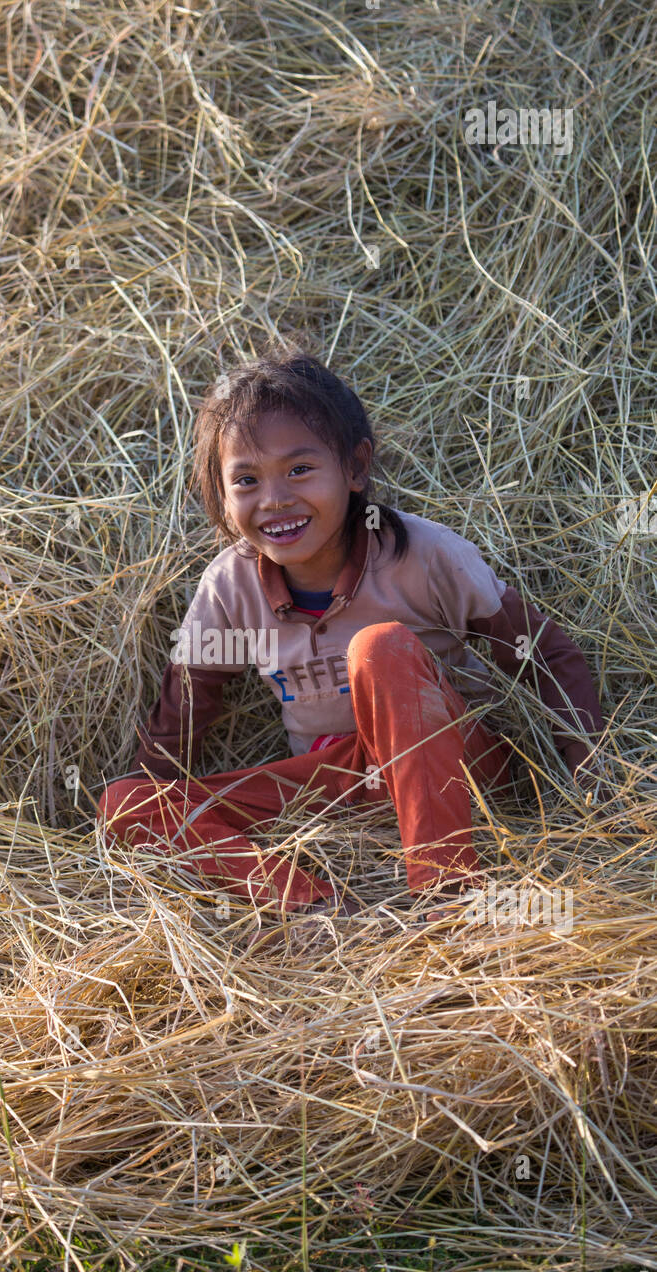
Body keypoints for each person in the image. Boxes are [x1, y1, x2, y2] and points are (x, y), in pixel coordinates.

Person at [96, 350, 606, 934]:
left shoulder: (423, 555)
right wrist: (156, 802)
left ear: (356, 468)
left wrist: (587, 775)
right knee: (124, 803)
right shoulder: (231, 586)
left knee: (381, 647)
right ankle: (317, 908)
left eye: (300, 470)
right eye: (246, 480)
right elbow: (185, 707)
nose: (274, 500)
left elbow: (544, 652)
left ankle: (447, 895)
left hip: (456, 766)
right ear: (221, 492)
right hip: (339, 782)